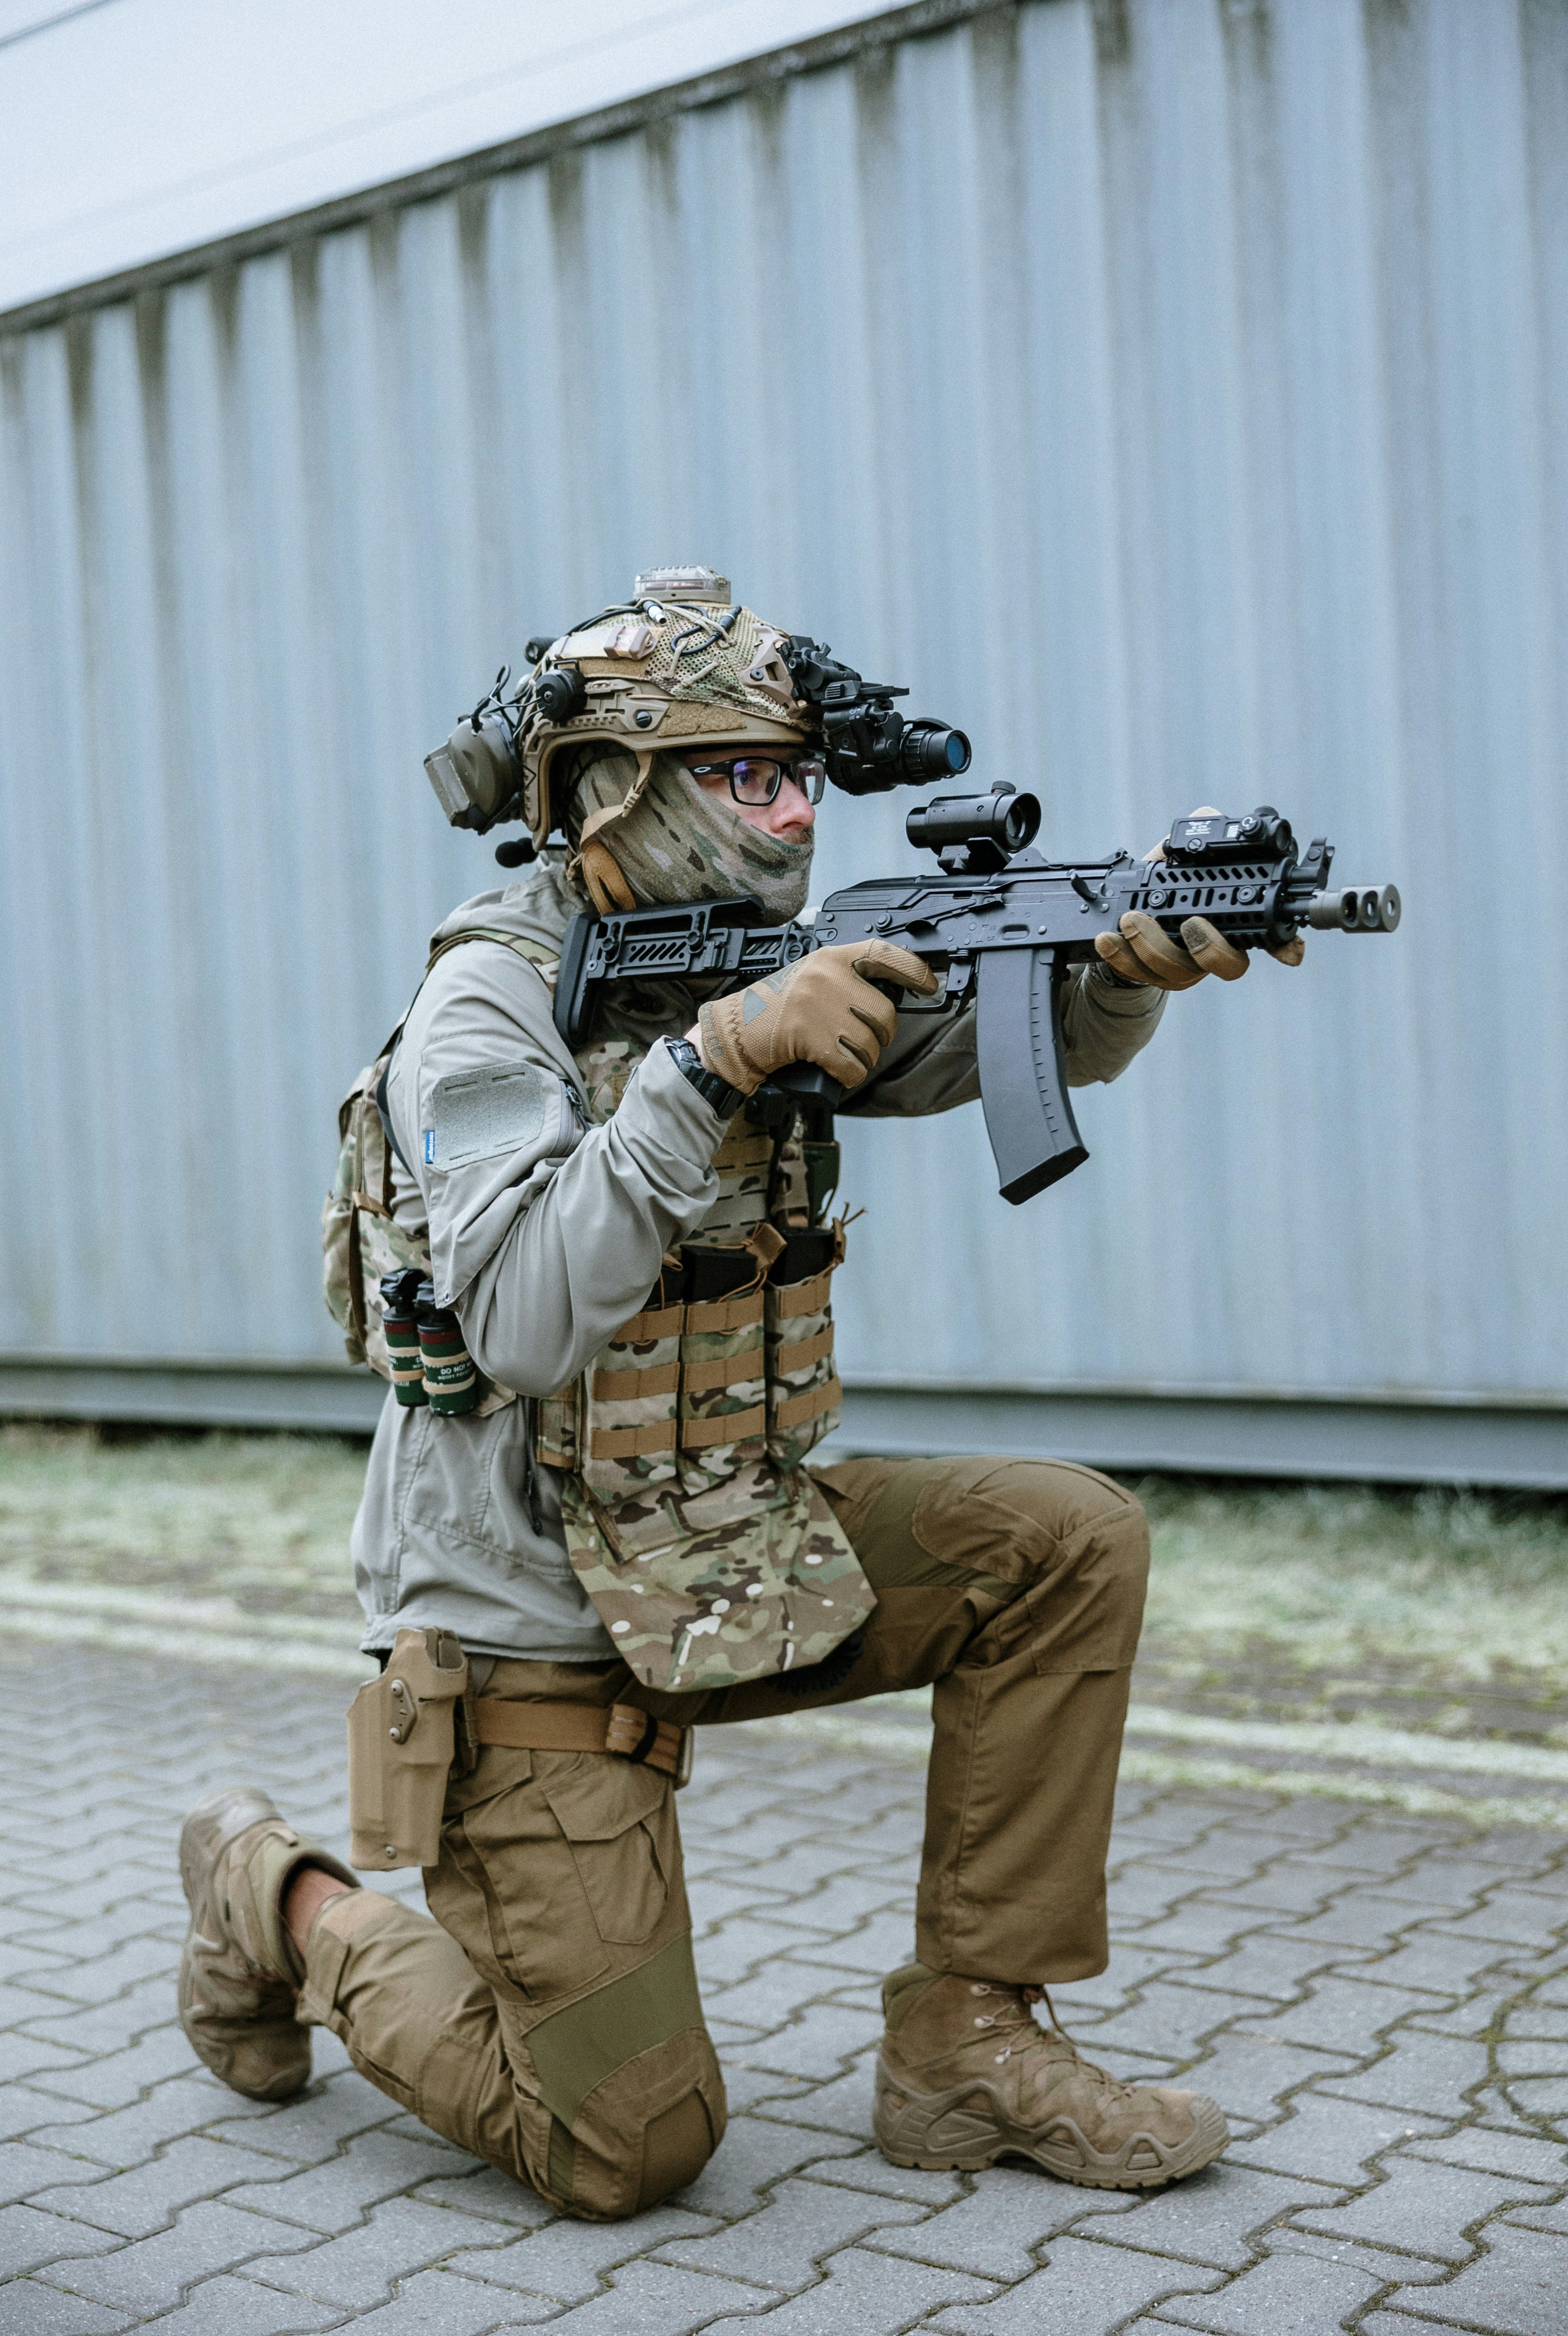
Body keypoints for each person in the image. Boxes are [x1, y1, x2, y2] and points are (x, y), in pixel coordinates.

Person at [178, 569, 1302, 2222]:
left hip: (724, 1542)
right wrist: (716, 1062)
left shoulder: (772, 954)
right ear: (614, 791)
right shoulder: (484, 1007)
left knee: (1064, 1541)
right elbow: (523, 1321)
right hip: (527, 1617)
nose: (790, 815)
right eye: (745, 775)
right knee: (627, 2146)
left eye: (802, 776)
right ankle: (281, 1898)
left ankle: (964, 2044)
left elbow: (958, 1046)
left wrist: (1117, 967)